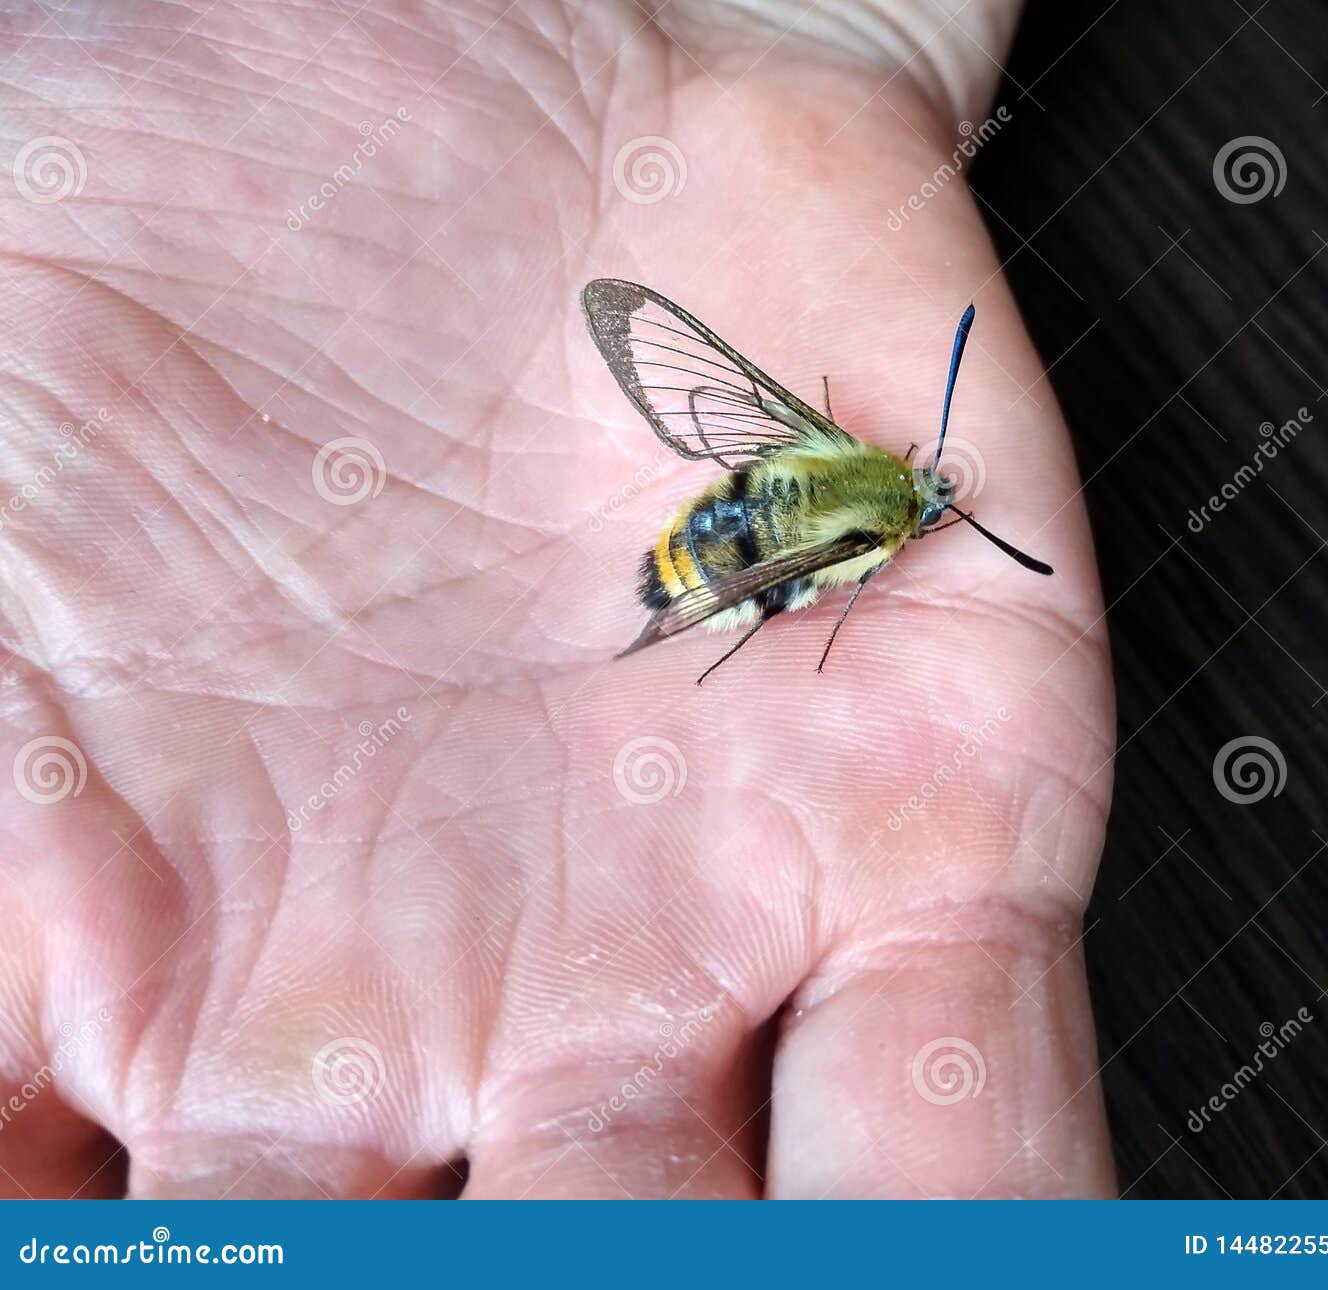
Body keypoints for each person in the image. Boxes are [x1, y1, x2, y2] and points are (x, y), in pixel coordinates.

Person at [0, 0, 1114, 1198]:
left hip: (722, 521)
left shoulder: (840, 454)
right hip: (715, 556)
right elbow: (818, 571)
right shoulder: (874, 529)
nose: (928, 504)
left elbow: (741, 434)